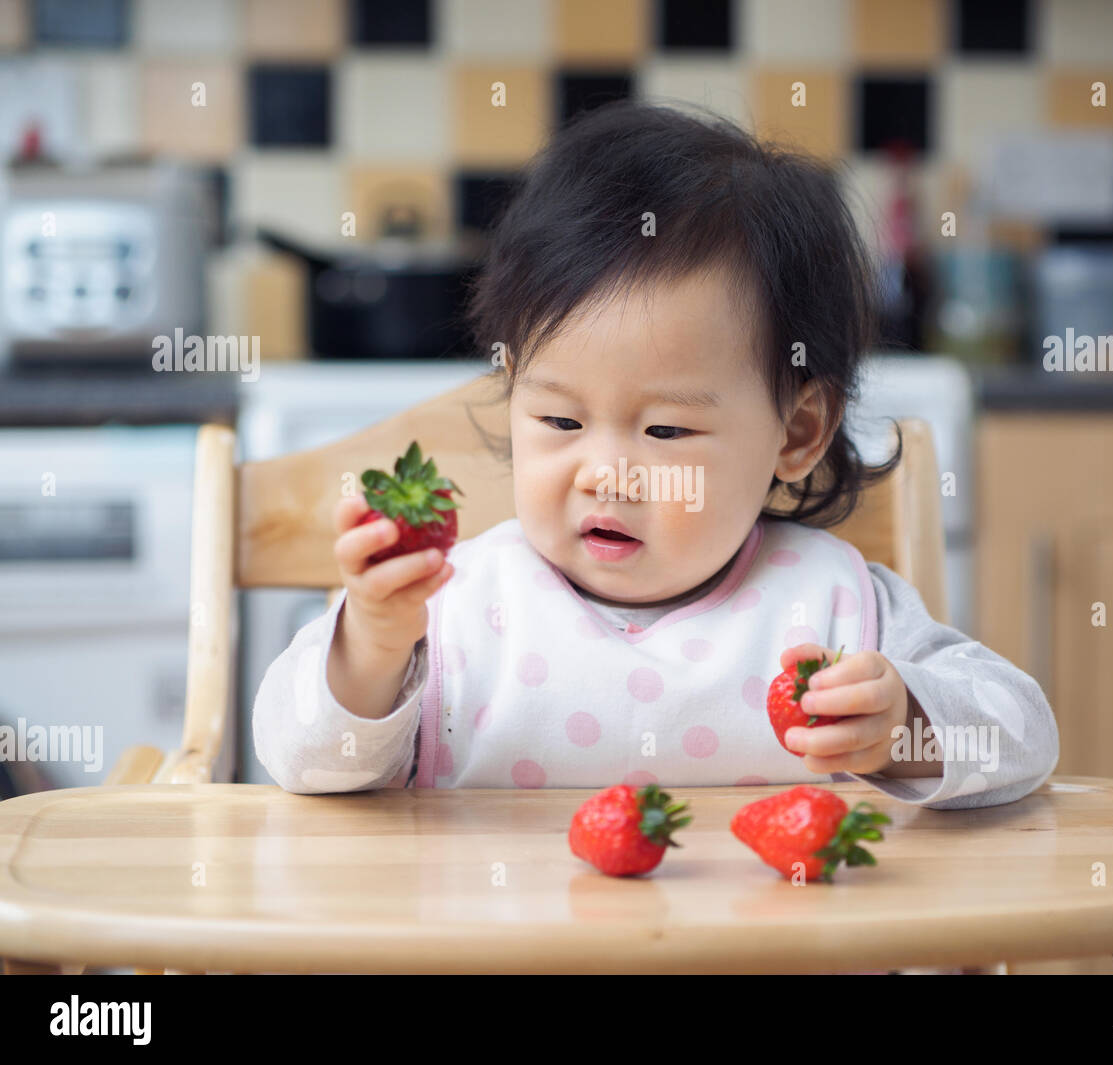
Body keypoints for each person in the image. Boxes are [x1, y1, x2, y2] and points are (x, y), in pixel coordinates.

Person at [253, 100, 1058, 813]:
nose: (604, 472)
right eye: (560, 420)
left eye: (665, 431)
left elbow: (1022, 736)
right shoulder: (451, 612)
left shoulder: (841, 609)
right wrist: (372, 646)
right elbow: (300, 756)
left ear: (798, 431)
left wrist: (905, 727)